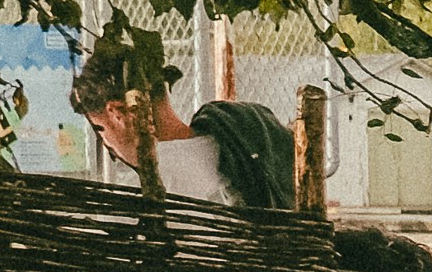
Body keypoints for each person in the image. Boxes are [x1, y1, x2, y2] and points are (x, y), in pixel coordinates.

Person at [91, 77, 302, 211]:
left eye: (100, 130)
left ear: (116, 112)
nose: (107, 145)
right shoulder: (228, 141)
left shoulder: (148, 183)